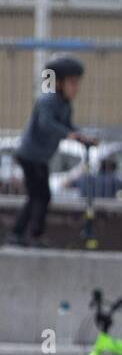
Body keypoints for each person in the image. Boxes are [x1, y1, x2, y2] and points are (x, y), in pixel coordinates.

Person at [7, 56, 97, 248]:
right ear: (58, 83)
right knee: (40, 196)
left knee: (38, 196)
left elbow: (68, 126)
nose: (76, 88)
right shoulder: (47, 101)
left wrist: (82, 136)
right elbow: (46, 124)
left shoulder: (65, 105)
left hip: (40, 158)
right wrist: (70, 135)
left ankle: (21, 234)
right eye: (72, 83)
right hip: (30, 156)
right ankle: (29, 235)